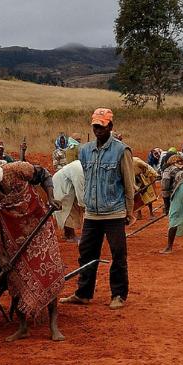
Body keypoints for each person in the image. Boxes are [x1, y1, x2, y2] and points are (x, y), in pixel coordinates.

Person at [0, 157, 66, 342]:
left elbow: (44, 175)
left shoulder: (14, 170)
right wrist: (0, 257)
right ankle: (23, 327)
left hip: (39, 229)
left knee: (46, 275)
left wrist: (51, 197)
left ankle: (53, 326)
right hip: (12, 241)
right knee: (16, 281)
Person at [60, 108, 135, 310]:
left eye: (102, 126)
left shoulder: (121, 151)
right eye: (95, 126)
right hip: (92, 213)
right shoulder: (85, 150)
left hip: (114, 212)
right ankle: (83, 293)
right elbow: (86, 177)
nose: (98, 130)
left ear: (110, 126)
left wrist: (129, 211)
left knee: (118, 254)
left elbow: (129, 183)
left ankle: (118, 294)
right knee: (86, 253)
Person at [52, 159, 85, 241]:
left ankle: (69, 234)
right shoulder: (79, 170)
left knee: (73, 207)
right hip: (60, 183)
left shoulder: (85, 166)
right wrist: (85, 205)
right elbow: (80, 189)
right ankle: (69, 235)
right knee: (66, 208)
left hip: (69, 184)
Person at [133, 155, 160, 219]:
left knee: (148, 196)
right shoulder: (123, 164)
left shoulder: (136, 160)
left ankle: (151, 213)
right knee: (137, 197)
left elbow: (147, 166)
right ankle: (139, 214)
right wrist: (136, 188)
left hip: (142, 178)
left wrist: (156, 174)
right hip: (133, 180)